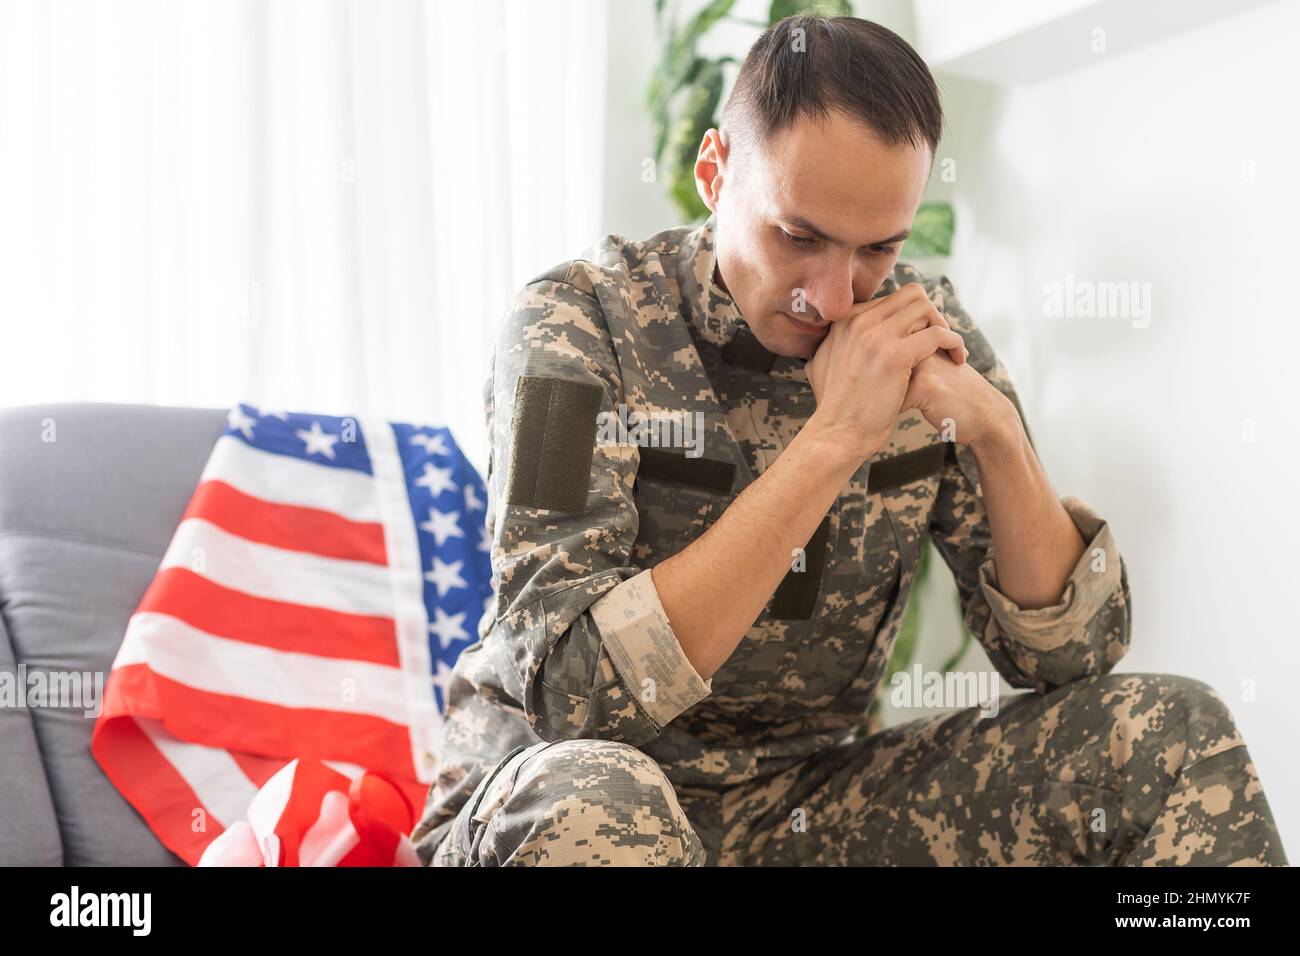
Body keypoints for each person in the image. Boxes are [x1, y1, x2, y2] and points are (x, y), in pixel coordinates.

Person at [410, 14, 1287, 866]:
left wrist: (995, 433)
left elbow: (1071, 657)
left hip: (804, 809)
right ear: (714, 171)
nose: (833, 296)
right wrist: (832, 442)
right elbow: (574, 693)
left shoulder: (920, 333)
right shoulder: (570, 328)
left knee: (1170, 736)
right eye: (798, 237)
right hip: (571, 801)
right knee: (604, 807)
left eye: (878, 249)